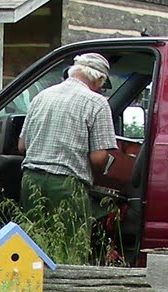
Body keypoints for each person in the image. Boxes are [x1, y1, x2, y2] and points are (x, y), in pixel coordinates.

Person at [17, 51, 116, 231]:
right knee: (70, 244)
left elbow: (22, 146)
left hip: (31, 181)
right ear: (98, 79)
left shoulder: (42, 96)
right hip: (66, 186)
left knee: (34, 240)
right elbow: (98, 159)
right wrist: (106, 166)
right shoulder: (97, 103)